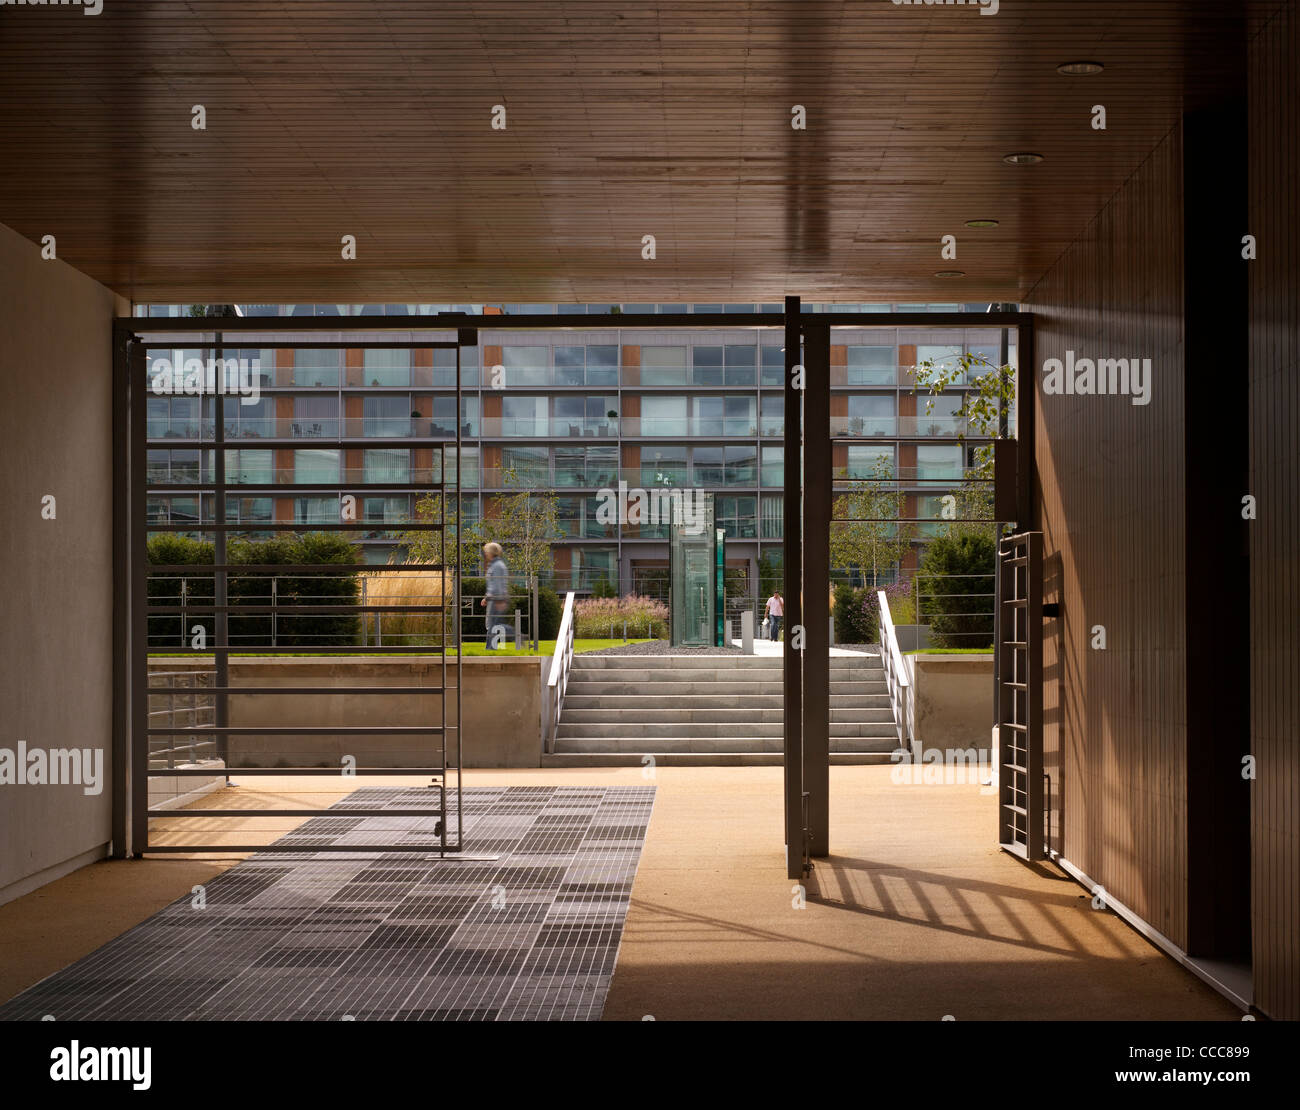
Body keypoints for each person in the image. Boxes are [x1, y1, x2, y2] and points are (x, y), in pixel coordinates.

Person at [479, 542, 509, 648]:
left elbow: (496, 585)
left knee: (492, 625)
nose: (485, 554)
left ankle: (516, 635)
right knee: (494, 625)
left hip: (496, 600)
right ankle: (491, 648)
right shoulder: (496, 565)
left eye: (486, 552)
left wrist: (489, 598)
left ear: (491, 552)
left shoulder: (496, 566)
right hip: (496, 599)